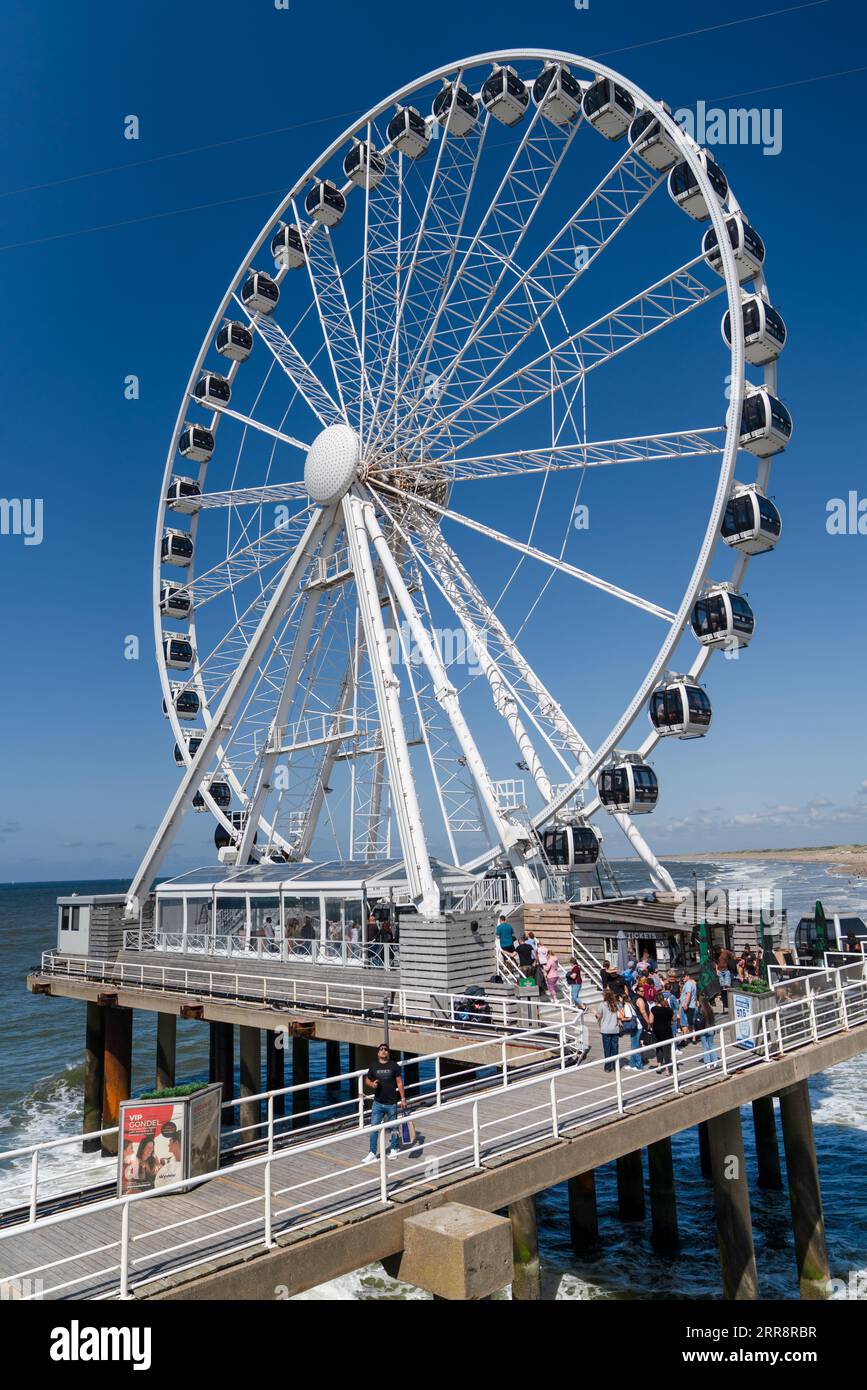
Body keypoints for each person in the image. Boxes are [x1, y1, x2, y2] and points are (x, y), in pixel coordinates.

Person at [363, 1043, 405, 1163]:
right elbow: (367, 1079)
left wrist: (403, 1099)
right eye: (381, 1049)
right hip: (378, 1103)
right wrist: (372, 1084)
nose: (383, 1051)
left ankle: (393, 1148)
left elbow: (399, 1083)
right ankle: (372, 1152)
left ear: (388, 1052)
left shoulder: (394, 1065)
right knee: (374, 1128)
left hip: (391, 1102)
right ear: (378, 1052)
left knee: (394, 1128)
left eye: (385, 1049)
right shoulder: (374, 1066)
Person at [595, 987, 621, 1073]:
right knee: (615, 1048)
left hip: (605, 1029)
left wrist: (595, 1013)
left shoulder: (602, 1004)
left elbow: (599, 1017)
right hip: (615, 1029)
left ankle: (608, 1067)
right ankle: (616, 1066)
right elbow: (619, 1016)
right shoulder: (616, 1004)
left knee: (607, 1049)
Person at [651, 990, 675, 1075]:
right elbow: (673, 1019)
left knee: (659, 1049)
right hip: (667, 1031)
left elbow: (650, 1021)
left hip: (657, 1031)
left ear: (656, 1001)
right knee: (667, 1051)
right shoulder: (669, 1010)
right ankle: (667, 1070)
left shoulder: (653, 1009)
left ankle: (659, 1066)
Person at [618, 994, 642, 1070]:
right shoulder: (630, 1004)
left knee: (635, 1047)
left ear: (622, 998)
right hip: (637, 1026)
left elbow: (629, 1017)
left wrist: (621, 1019)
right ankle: (632, 1064)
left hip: (636, 1028)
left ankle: (639, 1066)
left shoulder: (626, 1006)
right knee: (634, 1046)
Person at [697, 993, 719, 1068]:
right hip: (711, 1028)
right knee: (711, 1045)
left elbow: (698, 1021)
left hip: (703, 1029)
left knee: (705, 1046)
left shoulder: (701, 1009)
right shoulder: (710, 1009)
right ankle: (715, 1061)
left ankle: (708, 1062)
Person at [679, 970, 698, 1045]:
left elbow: (688, 994)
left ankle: (685, 1039)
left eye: (684, 976)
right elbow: (695, 995)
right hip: (693, 1006)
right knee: (691, 1023)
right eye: (682, 977)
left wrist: (685, 1005)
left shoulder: (688, 984)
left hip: (687, 1007)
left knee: (684, 1024)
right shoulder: (693, 983)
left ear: (687, 976)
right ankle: (693, 1038)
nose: (683, 978)